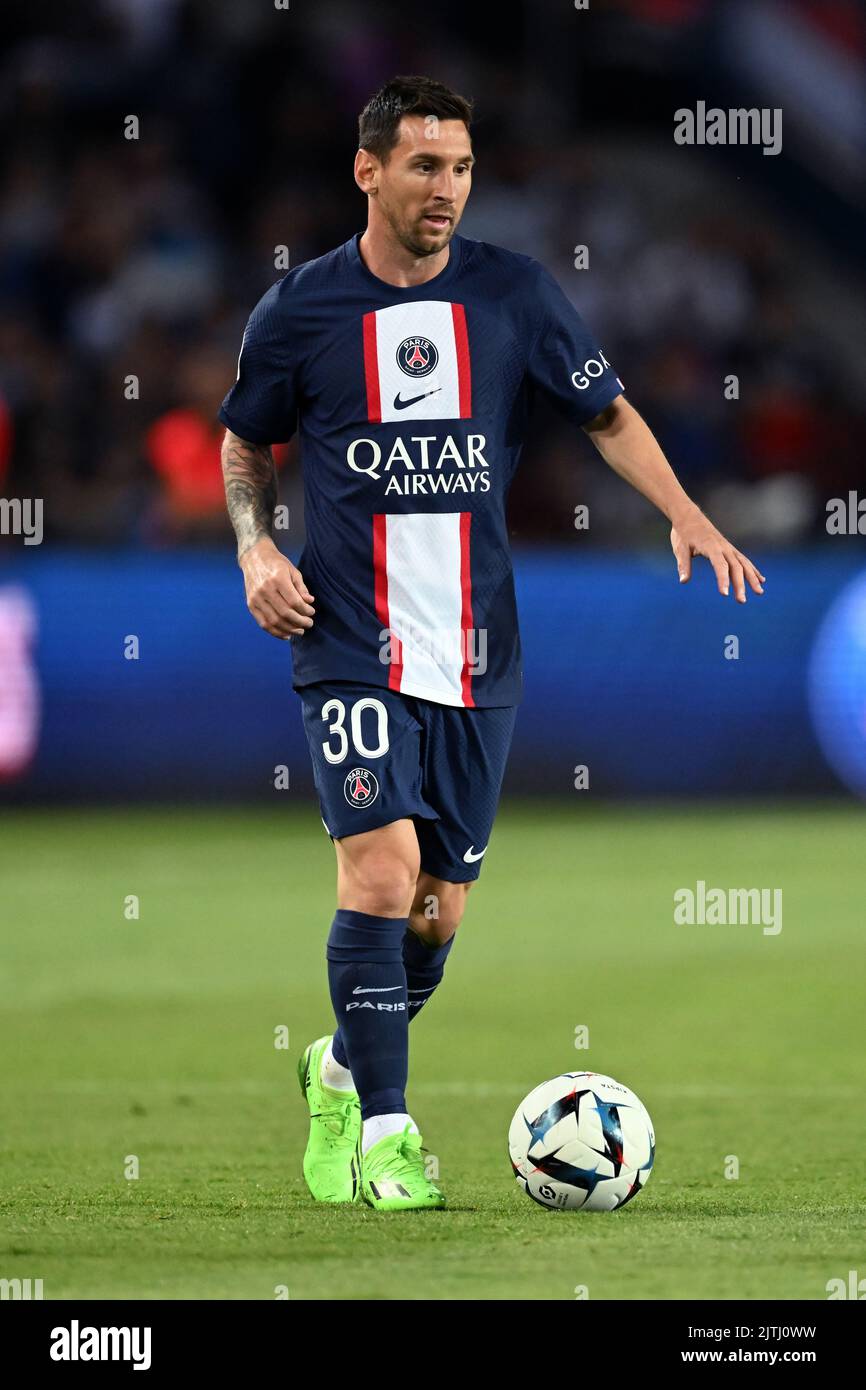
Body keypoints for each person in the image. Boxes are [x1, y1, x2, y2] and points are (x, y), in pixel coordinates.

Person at [218, 75, 764, 1212]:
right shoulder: (301, 311)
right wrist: (255, 549)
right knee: (380, 870)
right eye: (423, 166)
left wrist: (685, 510)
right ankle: (387, 1134)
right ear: (367, 170)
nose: (446, 190)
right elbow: (244, 444)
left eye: (460, 168)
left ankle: (336, 1066)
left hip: (474, 645)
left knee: (437, 912)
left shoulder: (512, 294)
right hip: (345, 635)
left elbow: (605, 412)